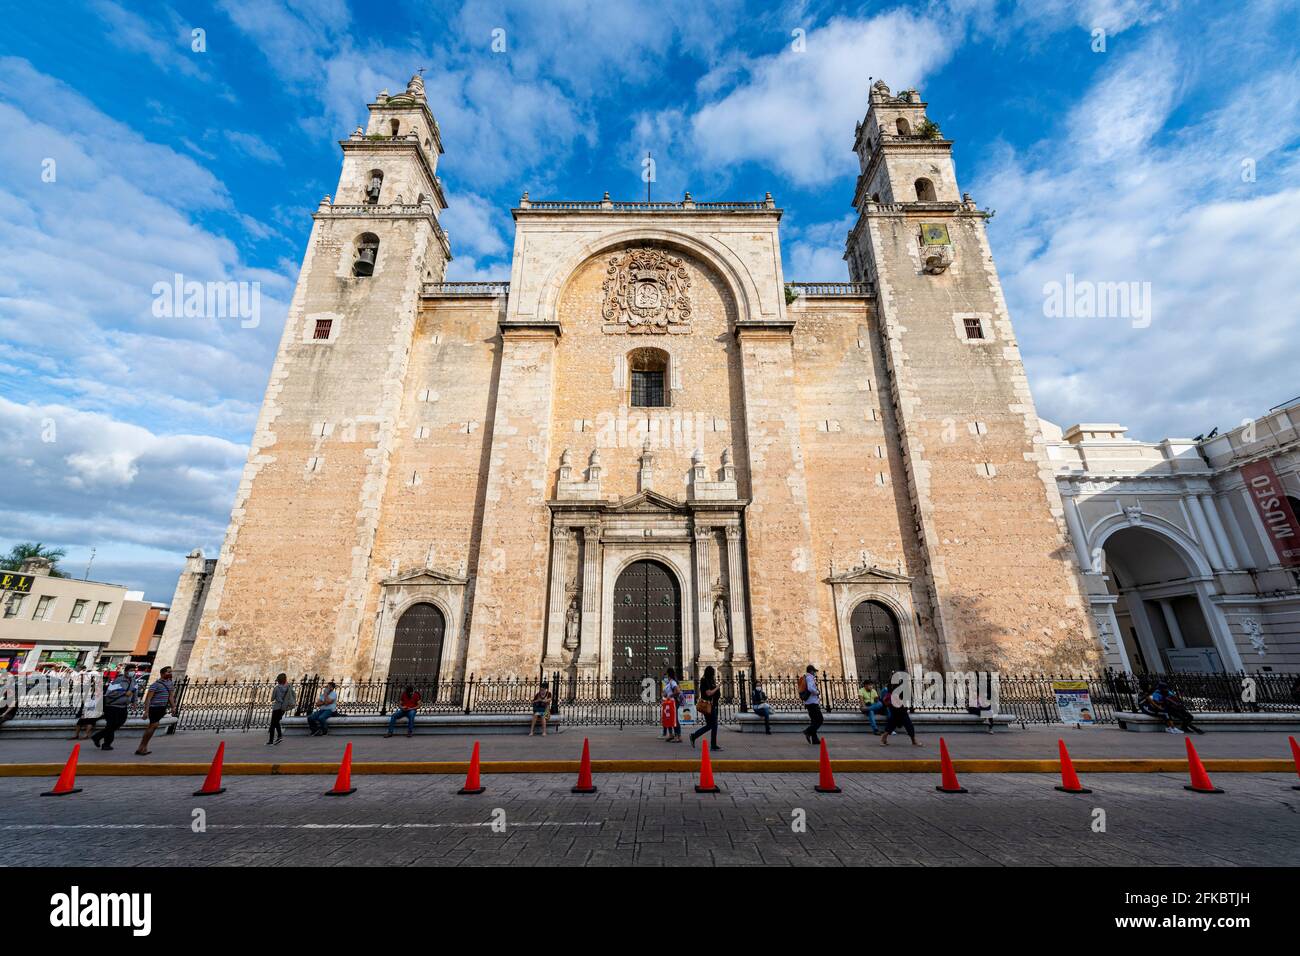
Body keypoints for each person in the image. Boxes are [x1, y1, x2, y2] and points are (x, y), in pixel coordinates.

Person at [135, 666, 177, 756]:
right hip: (154, 707)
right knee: (153, 725)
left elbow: (170, 696)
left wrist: (173, 707)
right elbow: (148, 699)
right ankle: (143, 747)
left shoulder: (170, 683)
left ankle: (142, 747)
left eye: (170, 672)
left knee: (153, 726)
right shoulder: (155, 684)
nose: (170, 674)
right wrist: (146, 711)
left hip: (162, 708)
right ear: (162, 673)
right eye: (168, 672)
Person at [92, 668, 135, 751]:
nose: (132, 672)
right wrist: (124, 693)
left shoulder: (133, 681)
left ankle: (97, 737)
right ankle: (106, 744)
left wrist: (134, 701)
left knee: (120, 722)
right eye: (131, 670)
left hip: (123, 706)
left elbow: (134, 691)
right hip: (112, 706)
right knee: (111, 725)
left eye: (134, 670)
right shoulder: (118, 680)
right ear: (126, 671)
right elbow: (109, 693)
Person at [880, 679, 923, 747]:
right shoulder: (890, 688)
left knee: (904, 724)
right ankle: (913, 740)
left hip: (901, 709)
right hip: (896, 709)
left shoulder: (902, 688)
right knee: (896, 724)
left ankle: (884, 739)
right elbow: (886, 699)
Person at [689, 666, 722, 751]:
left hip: (712, 705)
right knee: (714, 725)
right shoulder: (705, 681)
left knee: (710, 725)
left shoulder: (709, 680)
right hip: (708, 705)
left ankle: (694, 736)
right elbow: (708, 693)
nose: (714, 675)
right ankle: (713, 745)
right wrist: (717, 687)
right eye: (713, 673)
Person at [268, 673, 295, 745]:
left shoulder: (276, 688)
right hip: (283, 707)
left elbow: (272, 698)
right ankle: (279, 736)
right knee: (276, 722)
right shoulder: (289, 687)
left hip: (277, 707)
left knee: (273, 724)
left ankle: (271, 740)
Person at [800, 665, 823, 745]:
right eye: (814, 671)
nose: (815, 673)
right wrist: (817, 692)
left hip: (809, 703)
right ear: (811, 671)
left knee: (814, 721)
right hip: (812, 702)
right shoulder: (809, 677)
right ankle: (807, 731)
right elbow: (810, 688)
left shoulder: (806, 677)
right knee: (820, 719)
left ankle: (815, 739)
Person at [661, 667, 682, 742]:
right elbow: (667, 692)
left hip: (673, 702)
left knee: (674, 719)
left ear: (668, 674)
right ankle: (671, 735)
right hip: (668, 703)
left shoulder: (673, 682)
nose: (666, 676)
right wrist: (665, 694)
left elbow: (678, 691)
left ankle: (678, 736)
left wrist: (670, 696)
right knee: (669, 718)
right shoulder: (669, 682)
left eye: (666, 674)